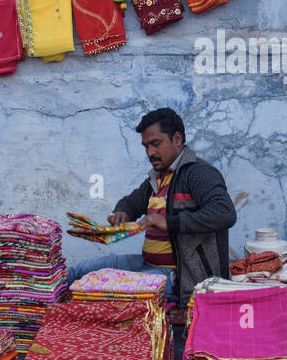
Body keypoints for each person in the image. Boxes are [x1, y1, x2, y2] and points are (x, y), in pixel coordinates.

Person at [66, 108, 237, 311]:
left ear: (176, 139)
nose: (150, 153)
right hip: (148, 265)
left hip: (178, 277)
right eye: (146, 146)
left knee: (95, 289)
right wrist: (123, 212)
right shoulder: (158, 178)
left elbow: (224, 212)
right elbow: (131, 202)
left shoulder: (199, 173)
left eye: (156, 144)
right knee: (79, 272)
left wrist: (170, 222)